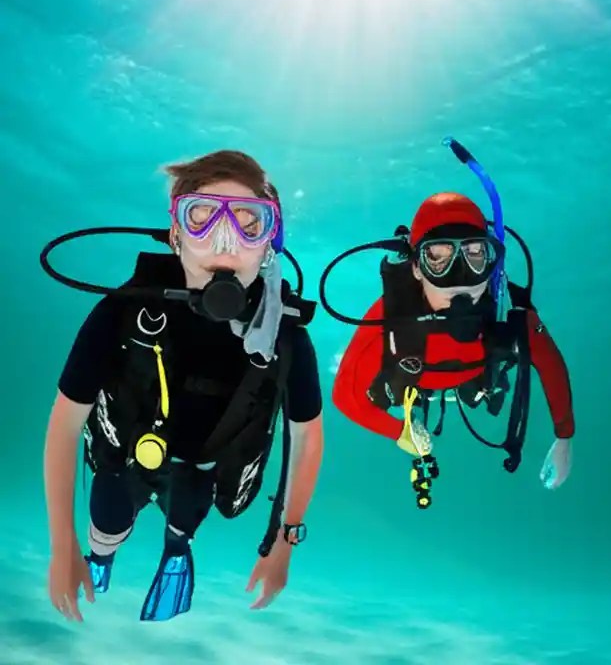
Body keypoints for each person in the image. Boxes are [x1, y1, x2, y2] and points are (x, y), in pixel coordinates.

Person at [40, 150, 324, 623]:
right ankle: (102, 557)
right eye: (202, 217)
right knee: (105, 521)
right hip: (126, 455)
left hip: (202, 467)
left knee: (184, 518)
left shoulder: (286, 337)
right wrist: (62, 545)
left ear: (269, 243)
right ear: (176, 235)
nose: (225, 240)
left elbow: (309, 436)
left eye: (250, 222)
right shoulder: (121, 311)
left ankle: (175, 550)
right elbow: (65, 424)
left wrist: (285, 542)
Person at [322, 138, 574, 509]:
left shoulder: (507, 310)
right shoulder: (389, 314)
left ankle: (440, 402)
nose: (460, 276)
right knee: (400, 392)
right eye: (438, 259)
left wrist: (564, 437)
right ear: (415, 268)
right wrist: (400, 431)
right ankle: (416, 406)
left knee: (481, 392)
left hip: (472, 380)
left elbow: (551, 364)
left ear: (492, 261)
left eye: (474, 255)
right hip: (411, 378)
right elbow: (345, 396)